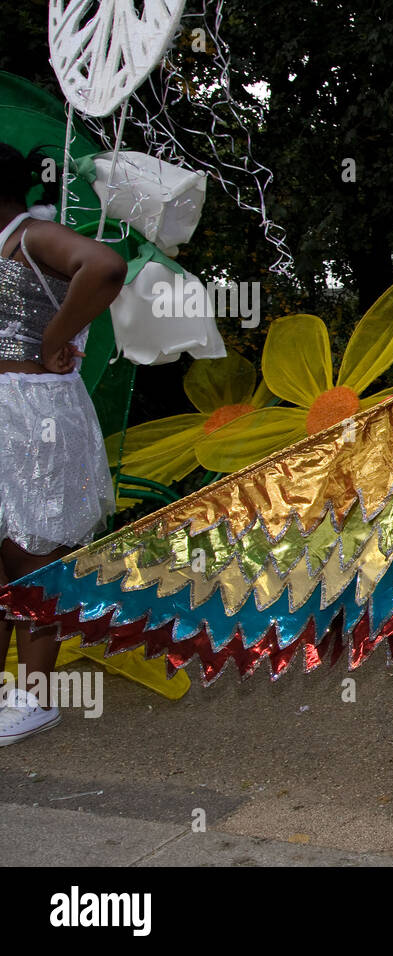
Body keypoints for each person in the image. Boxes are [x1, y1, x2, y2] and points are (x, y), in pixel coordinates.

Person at [0, 143, 122, 744]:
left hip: (31, 412)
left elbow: (103, 266)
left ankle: (37, 695)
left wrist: (56, 333)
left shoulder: (32, 235)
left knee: (32, 554)